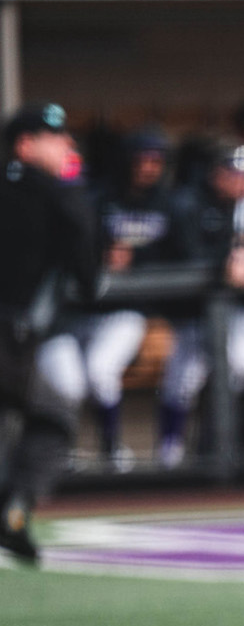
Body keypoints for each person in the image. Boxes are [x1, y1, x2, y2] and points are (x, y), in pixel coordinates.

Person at [42, 126, 173, 470]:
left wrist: (137, 261)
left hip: (125, 310)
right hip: (74, 313)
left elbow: (177, 255)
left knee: (100, 370)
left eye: (155, 160)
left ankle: (111, 448)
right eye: (143, 159)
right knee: (66, 380)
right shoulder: (97, 200)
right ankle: (65, 451)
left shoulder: (169, 202)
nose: (149, 167)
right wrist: (100, 257)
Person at [0, 102, 98, 563]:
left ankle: (11, 513)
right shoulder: (55, 193)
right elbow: (88, 273)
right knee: (54, 418)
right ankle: (14, 509)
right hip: (8, 336)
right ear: (25, 145)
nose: (65, 146)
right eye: (53, 138)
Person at [156, 143, 244, 469]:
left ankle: (216, 446)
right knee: (182, 379)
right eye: (236, 174)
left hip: (231, 312)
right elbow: (187, 254)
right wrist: (225, 260)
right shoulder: (188, 202)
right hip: (187, 313)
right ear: (217, 173)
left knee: (241, 366)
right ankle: (169, 454)